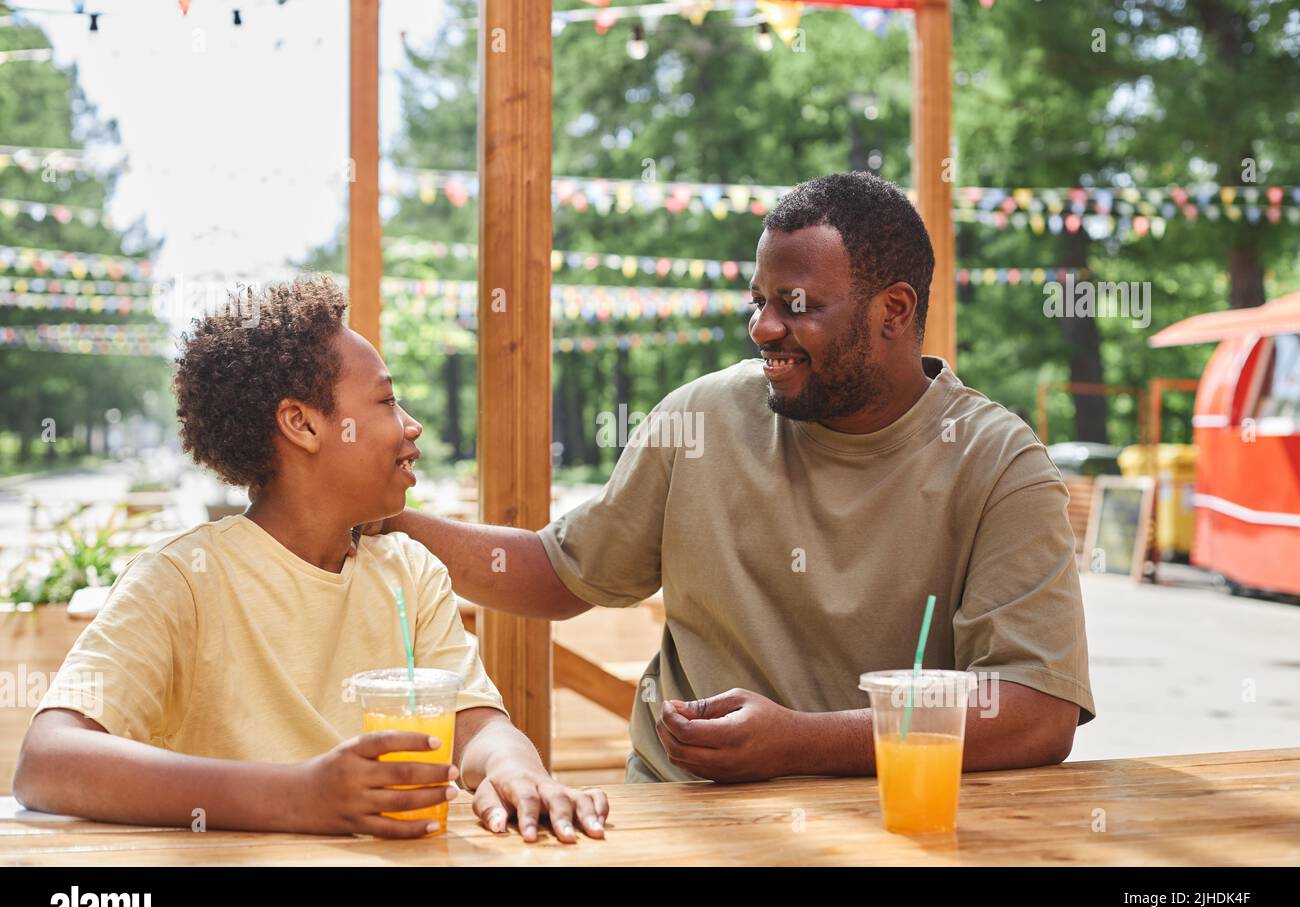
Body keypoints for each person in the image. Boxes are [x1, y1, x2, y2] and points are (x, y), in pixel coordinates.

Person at [369, 172, 1097, 784]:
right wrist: (383, 523)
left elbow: (1036, 711)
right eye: (759, 301)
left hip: (890, 825)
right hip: (677, 814)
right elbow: (561, 574)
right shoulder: (702, 416)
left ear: (893, 312)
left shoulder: (1000, 465)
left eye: (795, 305)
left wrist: (801, 742)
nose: (763, 327)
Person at [14, 275, 608, 840]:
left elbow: (474, 725)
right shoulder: (184, 580)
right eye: (387, 402)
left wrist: (514, 770)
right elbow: (49, 761)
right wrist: (299, 796)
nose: (412, 425)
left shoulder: (409, 571)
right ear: (301, 423)